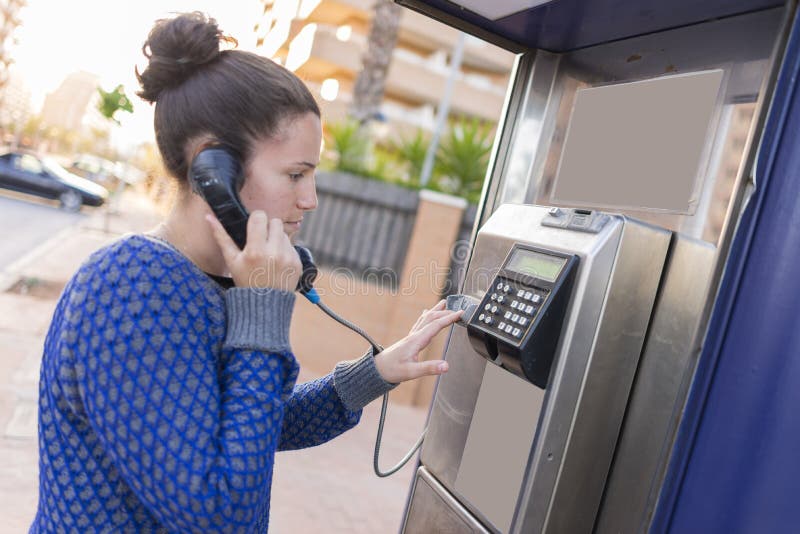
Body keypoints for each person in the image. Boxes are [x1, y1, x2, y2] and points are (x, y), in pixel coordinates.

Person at [30, 12, 462, 533]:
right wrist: (261, 314)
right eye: (295, 174)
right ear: (214, 171)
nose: (311, 199)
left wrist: (376, 372)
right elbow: (221, 515)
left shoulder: (206, 283)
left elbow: (253, 426)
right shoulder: (132, 286)